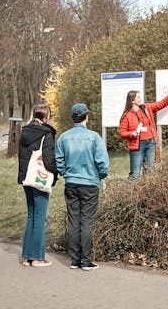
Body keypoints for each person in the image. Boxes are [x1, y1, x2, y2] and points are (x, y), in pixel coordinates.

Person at [55, 103, 109, 271]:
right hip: (89, 183)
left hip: (71, 183)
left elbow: (59, 160)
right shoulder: (94, 137)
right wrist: (100, 175)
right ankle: (86, 261)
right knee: (86, 222)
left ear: (73, 118)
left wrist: (66, 173)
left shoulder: (63, 137)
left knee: (73, 220)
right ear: (86, 117)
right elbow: (102, 162)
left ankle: (74, 260)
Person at [18, 104, 57, 267]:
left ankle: (26, 256)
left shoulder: (24, 131)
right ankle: (37, 257)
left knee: (31, 216)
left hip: (26, 177)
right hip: (40, 178)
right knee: (40, 217)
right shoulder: (47, 133)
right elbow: (48, 159)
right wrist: (55, 173)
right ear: (46, 117)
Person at [118, 82, 168, 179]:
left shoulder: (146, 108)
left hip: (150, 143)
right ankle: (132, 189)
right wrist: (131, 134)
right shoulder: (127, 115)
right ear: (132, 100)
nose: (140, 99)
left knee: (149, 172)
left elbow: (161, 104)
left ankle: (146, 189)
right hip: (137, 146)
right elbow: (122, 132)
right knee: (135, 173)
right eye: (138, 97)